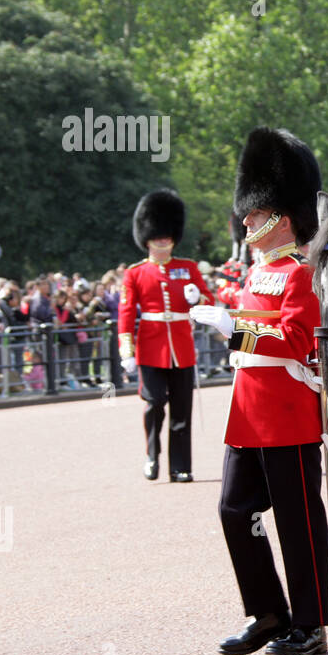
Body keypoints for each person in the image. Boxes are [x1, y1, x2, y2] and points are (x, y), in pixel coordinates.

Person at [192, 127, 328, 655]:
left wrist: (232, 329)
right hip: (248, 414)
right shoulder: (259, 272)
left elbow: (296, 341)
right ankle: (268, 612)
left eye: (255, 212)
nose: (246, 220)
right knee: (235, 511)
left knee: (297, 522)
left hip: (288, 414)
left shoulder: (301, 272)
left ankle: (311, 623)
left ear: (282, 216)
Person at [118, 189, 213, 483]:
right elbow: (125, 312)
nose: (162, 239)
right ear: (147, 237)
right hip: (150, 348)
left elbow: (209, 301)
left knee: (182, 411)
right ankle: (151, 454)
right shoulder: (135, 273)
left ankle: (180, 466)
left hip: (181, 349)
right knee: (155, 402)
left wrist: (198, 297)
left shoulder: (188, 268)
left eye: (167, 234)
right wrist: (127, 351)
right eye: (157, 234)